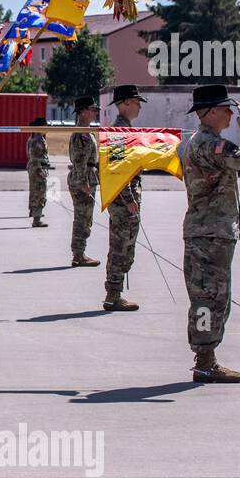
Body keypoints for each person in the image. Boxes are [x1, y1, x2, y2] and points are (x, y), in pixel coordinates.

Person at [180, 84, 240, 383]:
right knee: (211, 299)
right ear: (211, 112)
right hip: (211, 233)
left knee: (208, 298)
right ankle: (205, 362)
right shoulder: (213, 146)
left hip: (206, 232)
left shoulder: (198, 142)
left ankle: (205, 359)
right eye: (226, 108)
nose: (232, 114)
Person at [103, 85, 147, 312]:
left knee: (124, 247)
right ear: (126, 103)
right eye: (137, 102)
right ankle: (113, 295)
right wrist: (129, 198)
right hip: (123, 201)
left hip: (126, 198)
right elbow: (118, 168)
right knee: (121, 247)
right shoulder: (119, 131)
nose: (139, 106)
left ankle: (114, 292)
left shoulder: (125, 129)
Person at [67, 96, 101, 267]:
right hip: (84, 177)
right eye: (92, 109)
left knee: (84, 217)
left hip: (87, 175)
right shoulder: (82, 133)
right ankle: (78, 255)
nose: (95, 112)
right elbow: (80, 160)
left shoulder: (85, 131)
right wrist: (82, 181)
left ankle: (79, 252)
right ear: (83, 112)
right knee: (82, 217)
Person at [25, 116, 50, 228]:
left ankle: (35, 214)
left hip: (36, 168)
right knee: (39, 193)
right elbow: (36, 157)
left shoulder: (36, 138)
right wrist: (40, 170)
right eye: (45, 126)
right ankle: (36, 219)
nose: (47, 128)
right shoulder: (38, 140)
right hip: (38, 169)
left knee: (36, 192)